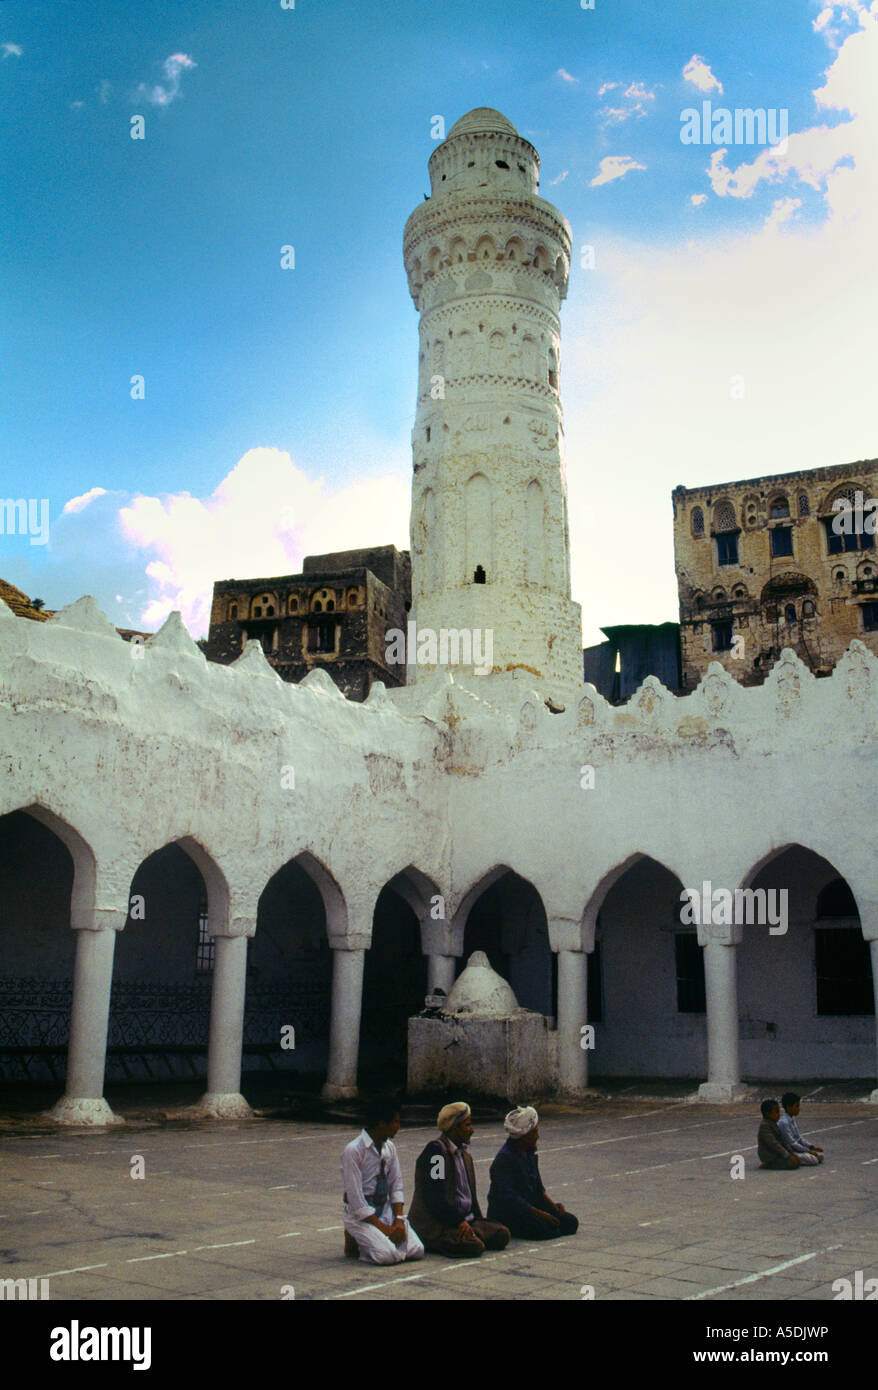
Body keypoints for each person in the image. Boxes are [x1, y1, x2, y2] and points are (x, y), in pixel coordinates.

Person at [408, 1101, 510, 1258]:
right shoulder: (436, 1153)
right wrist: (457, 1222)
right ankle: (442, 1240)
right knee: (474, 1247)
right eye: (467, 1125)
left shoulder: (464, 1154)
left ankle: (469, 1233)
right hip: (440, 1224)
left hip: (465, 1220)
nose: (472, 1130)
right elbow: (434, 1199)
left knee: (502, 1234)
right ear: (454, 1127)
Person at [340, 1097, 425, 1265]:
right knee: (387, 1256)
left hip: (385, 1210)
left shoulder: (389, 1148)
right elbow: (357, 1201)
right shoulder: (354, 1151)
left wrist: (399, 1220)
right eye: (395, 1121)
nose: (398, 1126)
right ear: (381, 1123)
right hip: (361, 1216)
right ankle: (355, 1239)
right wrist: (384, 1229)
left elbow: (396, 1186)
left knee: (417, 1250)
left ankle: (376, 1240)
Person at [487, 1105, 579, 1239]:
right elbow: (511, 1200)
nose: (538, 1136)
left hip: (530, 1206)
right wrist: (541, 1215)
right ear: (524, 1136)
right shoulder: (504, 1159)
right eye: (534, 1132)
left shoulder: (529, 1153)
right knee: (546, 1229)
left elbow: (538, 1189)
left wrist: (553, 1207)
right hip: (510, 1212)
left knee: (570, 1222)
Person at [779, 1092, 824, 1165]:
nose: (798, 1109)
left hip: (797, 1148)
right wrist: (807, 1151)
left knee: (820, 1155)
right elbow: (792, 1143)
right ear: (788, 1107)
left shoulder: (792, 1119)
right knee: (813, 1160)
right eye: (796, 1106)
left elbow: (799, 1138)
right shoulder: (783, 1122)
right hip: (790, 1150)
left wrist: (811, 1147)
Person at [757, 1097, 801, 1170]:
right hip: (769, 1155)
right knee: (792, 1164)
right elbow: (773, 1144)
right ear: (768, 1114)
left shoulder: (774, 1124)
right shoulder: (765, 1126)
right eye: (776, 1112)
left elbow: (783, 1141)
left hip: (777, 1154)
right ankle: (768, 1164)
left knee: (797, 1161)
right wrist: (788, 1155)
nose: (779, 1115)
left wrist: (792, 1153)